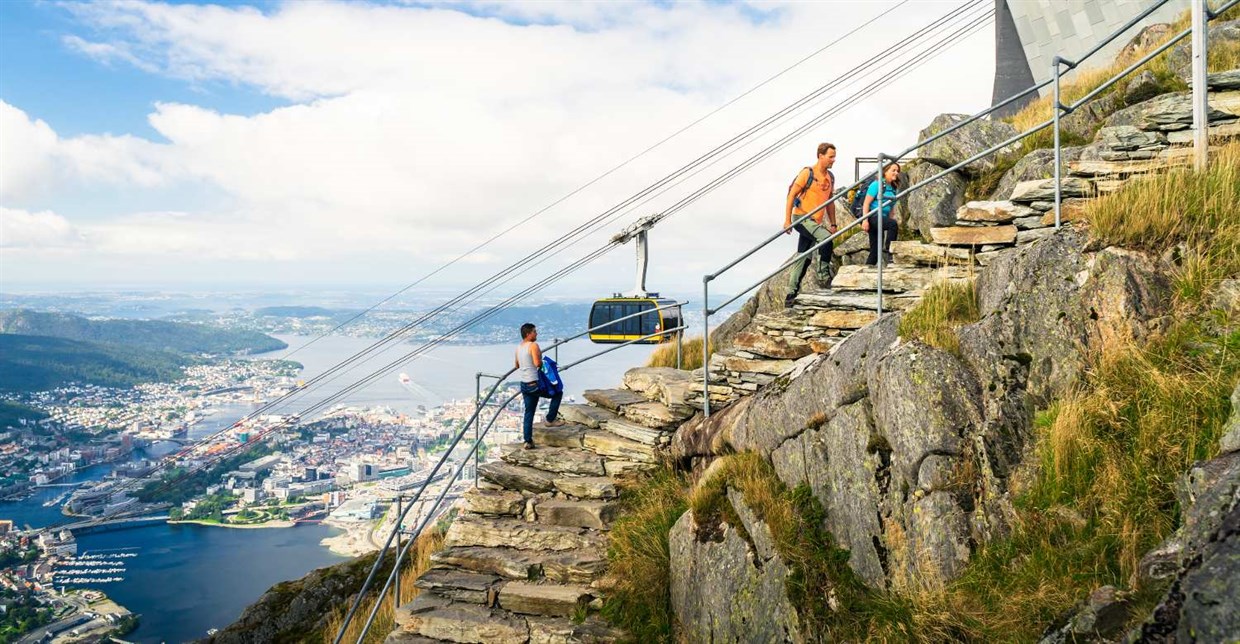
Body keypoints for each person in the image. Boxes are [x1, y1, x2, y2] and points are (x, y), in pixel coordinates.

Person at [783, 142, 840, 308]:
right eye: (831, 156)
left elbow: (830, 202)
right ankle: (823, 277)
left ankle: (790, 294)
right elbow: (791, 195)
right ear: (820, 156)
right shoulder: (807, 173)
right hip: (801, 218)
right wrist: (787, 221)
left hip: (814, 221)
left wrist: (834, 223)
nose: (833, 160)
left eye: (834, 156)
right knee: (826, 239)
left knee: (803, 257)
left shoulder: (830, 177)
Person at [514, 322, 563, 449]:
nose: (536, 334)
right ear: (528, 333)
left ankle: (528, 441)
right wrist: (545, 363)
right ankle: (550, 419)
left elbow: (517, 365)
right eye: (534, 331)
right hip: (534, 383)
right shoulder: (533, 345)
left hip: (524, 384)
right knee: (558, 393)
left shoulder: (519, 347)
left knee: (529, 412)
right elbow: (537, 363)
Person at [861, 161, 901, 266]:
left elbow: (891, 208)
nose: (896, 173)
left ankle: (865, 273)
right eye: (893, 170)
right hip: (873, 218)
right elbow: (866, 204)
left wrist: (891, 218)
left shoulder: (893, 188)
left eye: (897, 171)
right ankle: (890, 253)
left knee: (875, 251)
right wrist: (865, 221)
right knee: (893, 224)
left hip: (882, 219)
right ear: (885, 172)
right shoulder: (876, 184)